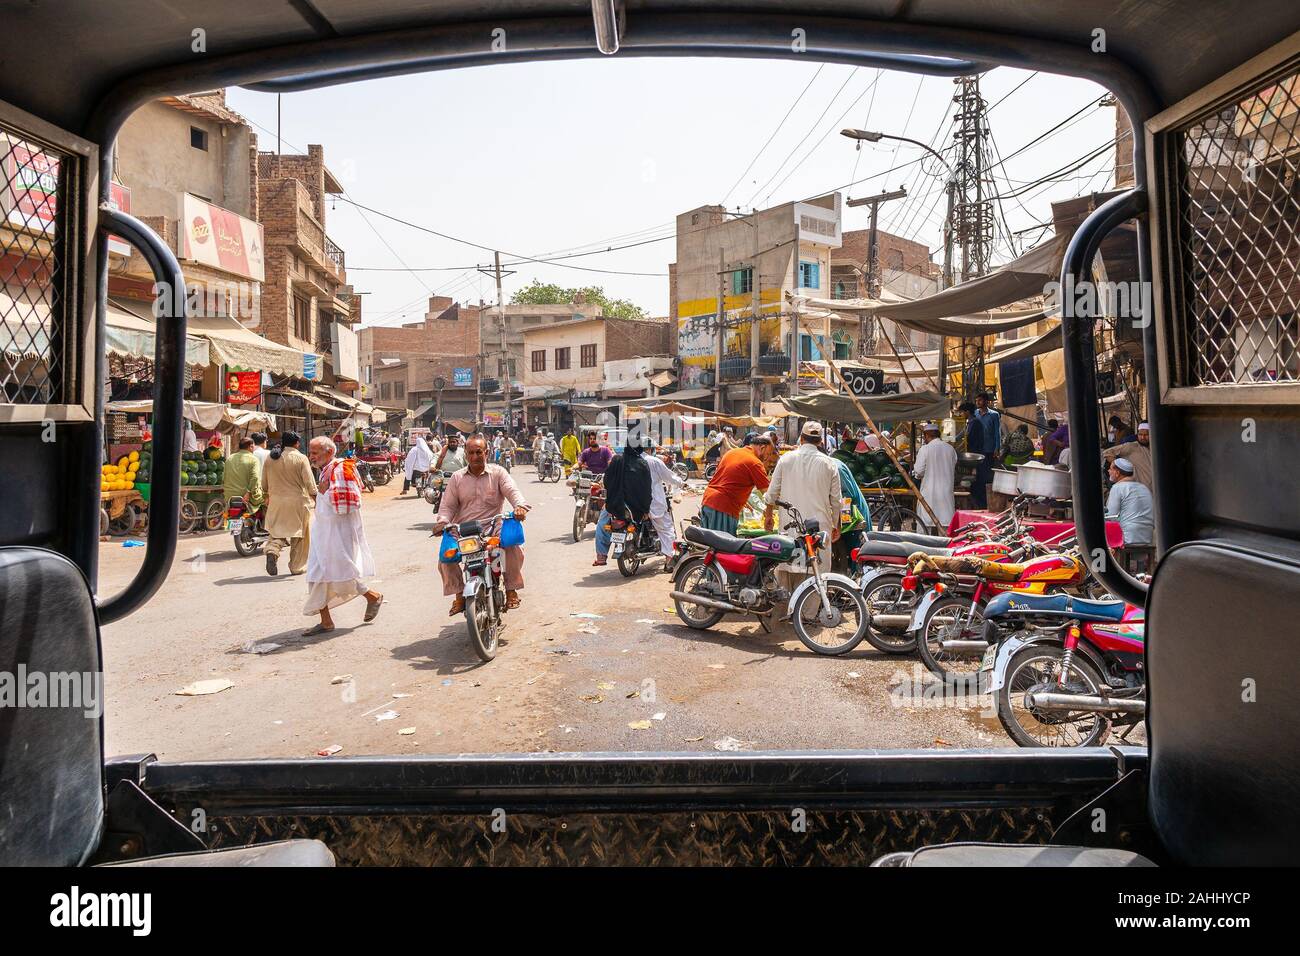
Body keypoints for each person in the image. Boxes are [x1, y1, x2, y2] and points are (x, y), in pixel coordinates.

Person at [432, 434, 530, 614]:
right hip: (465, 531)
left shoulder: (498, 472)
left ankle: (511, 589)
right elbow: (447, 506)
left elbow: (512, 491)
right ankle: (459, 595)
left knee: (513, 547)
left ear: (487, 452)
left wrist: (519, 507)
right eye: (471, 453)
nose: (475, 456)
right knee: (445, 556)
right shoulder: (456, 478)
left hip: (494, 528)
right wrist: (442, 522)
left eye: (479, 452)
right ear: (466, 455)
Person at [301, 437, 383, 635]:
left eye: (315, 453)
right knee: (317, 574)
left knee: (341, 572)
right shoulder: (327, 470)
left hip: (338, 533)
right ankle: (326, 621)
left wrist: (325, 493)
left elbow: (350, 502)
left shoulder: (340, 469)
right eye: (310, 452)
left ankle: (372, 596)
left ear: (329, 452)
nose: (311, 457)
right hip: (323, 531)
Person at [763, 421, 841, 577]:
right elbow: (836, 501)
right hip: (818, 532)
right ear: (820, 441)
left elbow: (771, 495)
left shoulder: (785, 460)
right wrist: (835, 524)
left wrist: (769, 515)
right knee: (816, 580)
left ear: (801, 439)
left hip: (790, 530)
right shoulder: (829, 464)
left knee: (787, 581)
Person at [262, 432, 316, 576]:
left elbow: (264, 484)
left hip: (276, 502)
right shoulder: (301, 458)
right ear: (297, 444)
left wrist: (267, 495)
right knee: (299, 536)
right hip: (297, 503)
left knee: (277, 532)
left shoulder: (271, 458)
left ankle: (272, 550)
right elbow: (310, 483)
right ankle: (296, 567)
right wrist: (317, 499)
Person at [700, 432, 776, 534]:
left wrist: (743, 501)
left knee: (708, 545)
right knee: (721, 546)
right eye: (768, 454)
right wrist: (769, 515)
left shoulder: (732, 453)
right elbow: (768, 495)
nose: (768, 458)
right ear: (762, 448)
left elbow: (727, 480)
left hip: (708, 501)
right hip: (724, 507)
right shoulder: (755, 463)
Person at [594, 440, 654, 567]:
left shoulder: (616, 460)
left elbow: (607, 480)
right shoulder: (642, 463)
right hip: (635, 508)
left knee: (601, 524)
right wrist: (646, 509)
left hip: (614, 506)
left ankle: (601, 555)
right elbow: (646, 488)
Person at [912, 421, 958, 532]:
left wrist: (918, 476)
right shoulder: (950, 449)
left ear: (927, 435)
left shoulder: (925, 449)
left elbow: (918, 471)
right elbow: (954, 465)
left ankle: (924, 547)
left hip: (929, 494)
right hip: (945, 494)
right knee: (945, 527)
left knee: (925, 527)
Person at [964, 393, 1002, 509]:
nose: (978, 402)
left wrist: (997, 448)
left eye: (980, 400)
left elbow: (997, 432)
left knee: (986, 475)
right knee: (977, 476)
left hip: (989, 449)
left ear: (986, 401)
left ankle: (985, 501)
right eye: (977, 400)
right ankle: (979, 500)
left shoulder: (994, 415)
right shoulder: (974, 414)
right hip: (976, 449)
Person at [1105, 457, 1154, 545]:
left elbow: (1111, 516)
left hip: (1128, 536)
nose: (1108, 471)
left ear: (1117, 473)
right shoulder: (1144, 487)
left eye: (1111, 468)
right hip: (1147, 535)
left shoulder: (1117, 488)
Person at [1103, 421, 1153, 490]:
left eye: (1146, 435)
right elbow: (1107, 453)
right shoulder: (1132, 446)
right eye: (1140, 434)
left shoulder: (1156, 449)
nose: (1142, 437)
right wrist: (1119, 464)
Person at [222, 436, 264, 511]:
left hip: (229, 497)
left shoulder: (229, 458)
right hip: (245, 498)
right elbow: (255, 478)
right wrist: (248, 492)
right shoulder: (254, 459)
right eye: (253, 447)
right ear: (251, 447)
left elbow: (223, 477)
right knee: (266, 501)